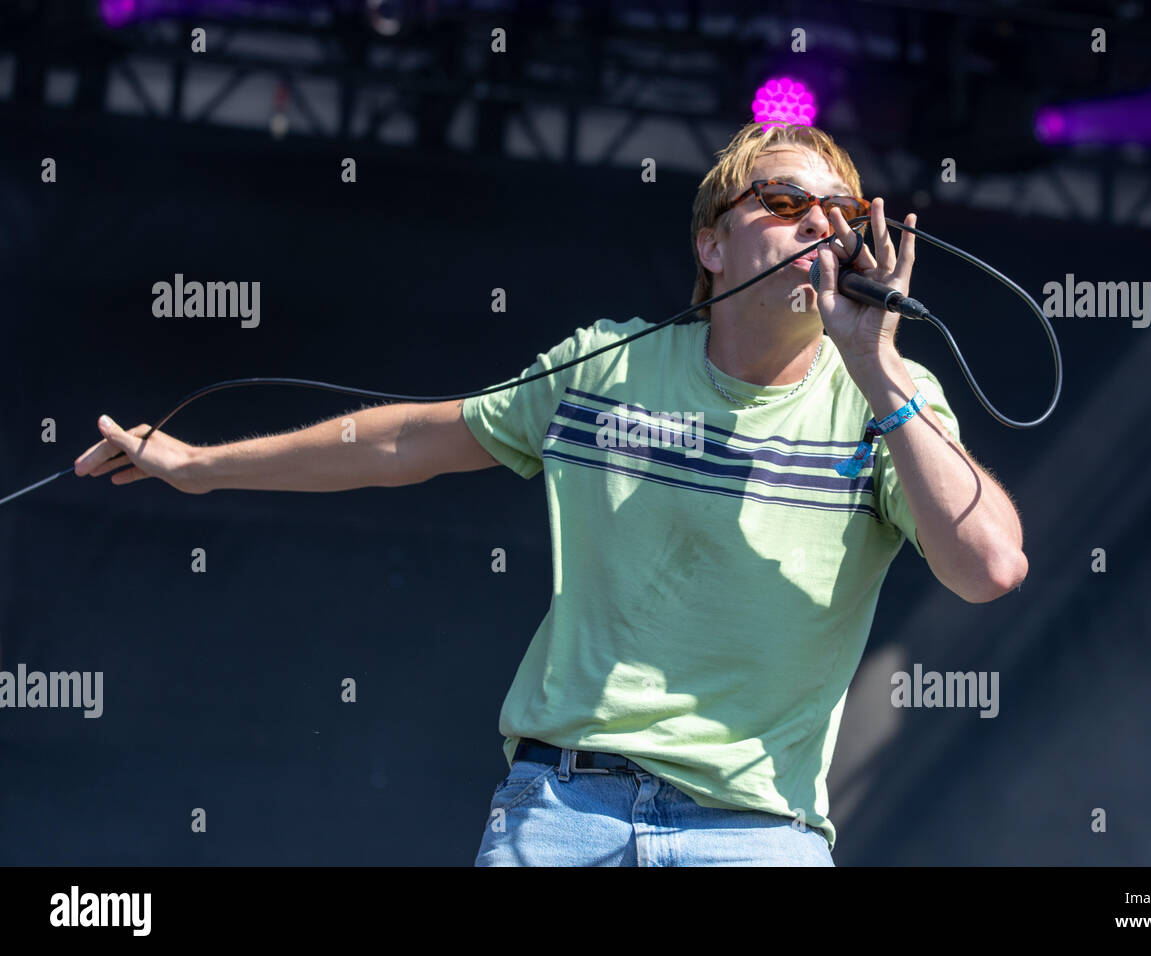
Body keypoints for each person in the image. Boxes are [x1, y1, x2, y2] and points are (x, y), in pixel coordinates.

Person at [72, 121, 1027, 867]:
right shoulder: (602, 372)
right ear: (712, 244)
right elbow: (407, 440)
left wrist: (875, 363)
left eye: (843, 211)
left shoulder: (889, 400)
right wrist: (200, 466)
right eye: (785, 199)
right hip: (565, 810)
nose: (821, 223)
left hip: (757, 834)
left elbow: (989, 567)